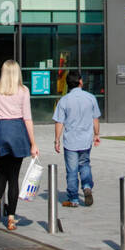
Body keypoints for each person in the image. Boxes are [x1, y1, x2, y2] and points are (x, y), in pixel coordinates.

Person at [0, 60, 39, 231]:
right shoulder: (23, 91)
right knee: (13, 177)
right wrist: (33, 143)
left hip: (0, 131)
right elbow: (27, 117)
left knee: (1, 174)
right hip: (17, 131)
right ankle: (11, 218)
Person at [54, 70, 101, 208]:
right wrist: (96, 134)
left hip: (70, 141)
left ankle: (73, 199)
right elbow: (95, 119)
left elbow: (59, 122)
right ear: (80, 81)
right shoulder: (91, 98)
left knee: (72, 170)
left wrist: (57, 140)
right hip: (86, 139)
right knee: (85, 164)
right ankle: (86, 186)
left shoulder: (64, 100)